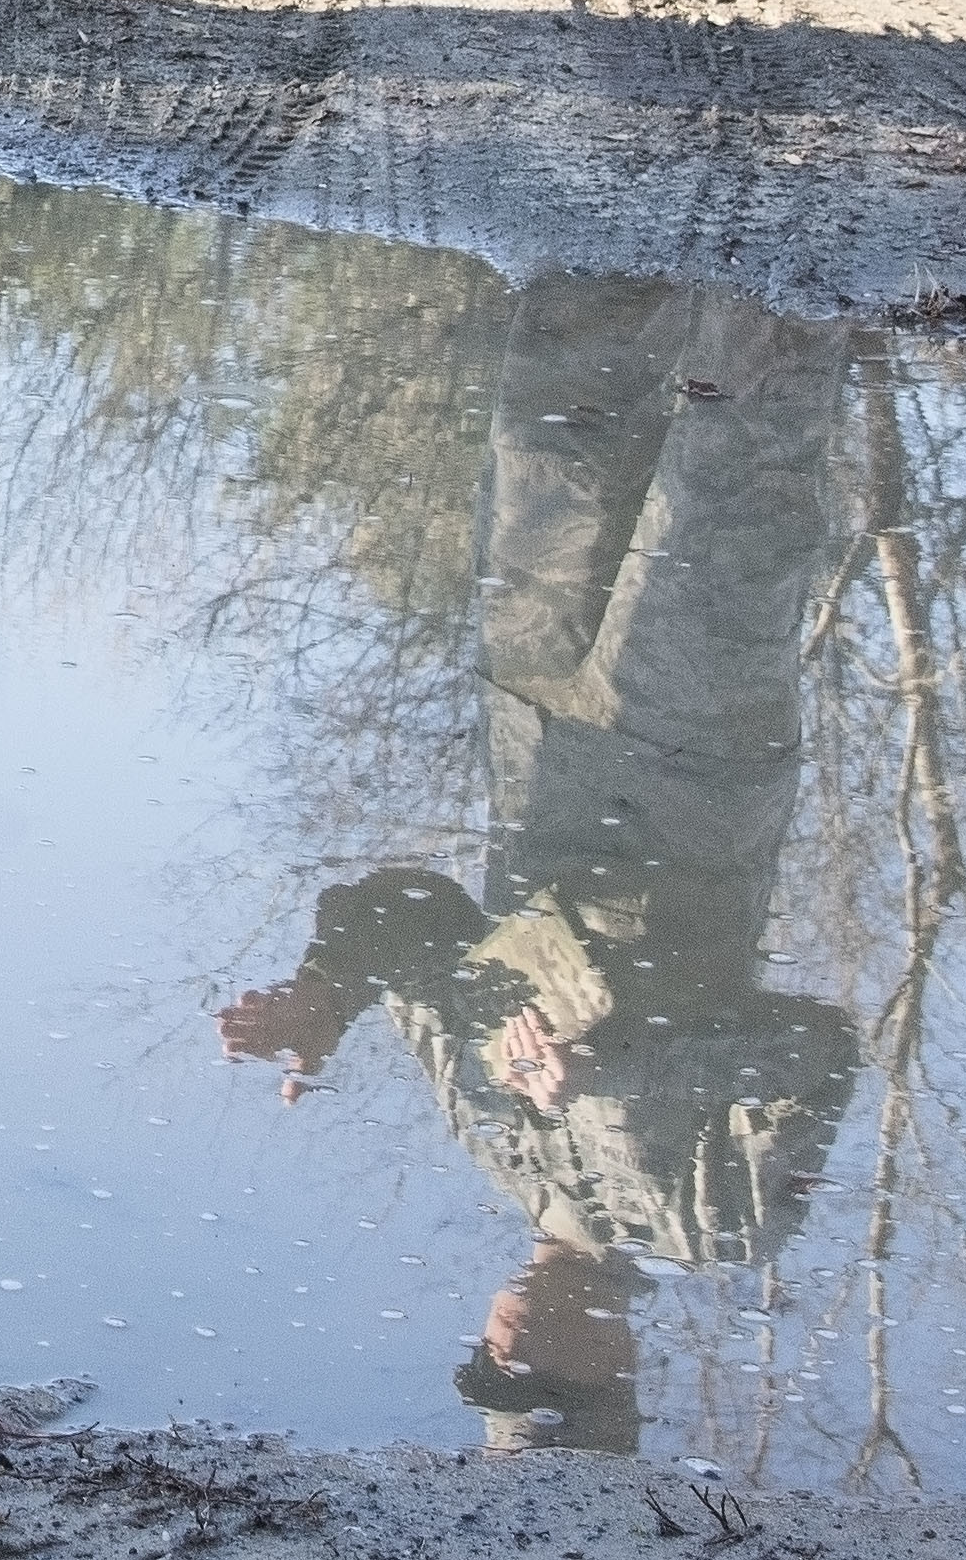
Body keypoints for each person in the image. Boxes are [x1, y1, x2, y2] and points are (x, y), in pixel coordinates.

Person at [214, 278, 862, 1459]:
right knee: (739, 439)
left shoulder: (491, 1138)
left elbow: (409, 909)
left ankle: (622, 190)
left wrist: (329, 990)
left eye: (488, 1369)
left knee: (555, 409)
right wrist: (616, 1065)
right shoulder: (719, 1225)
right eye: (539, 1381)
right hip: (690, 759)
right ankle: (811, 203)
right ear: (615, 1372)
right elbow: (818, 1052)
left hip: (536, 736)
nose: (507, 1347)